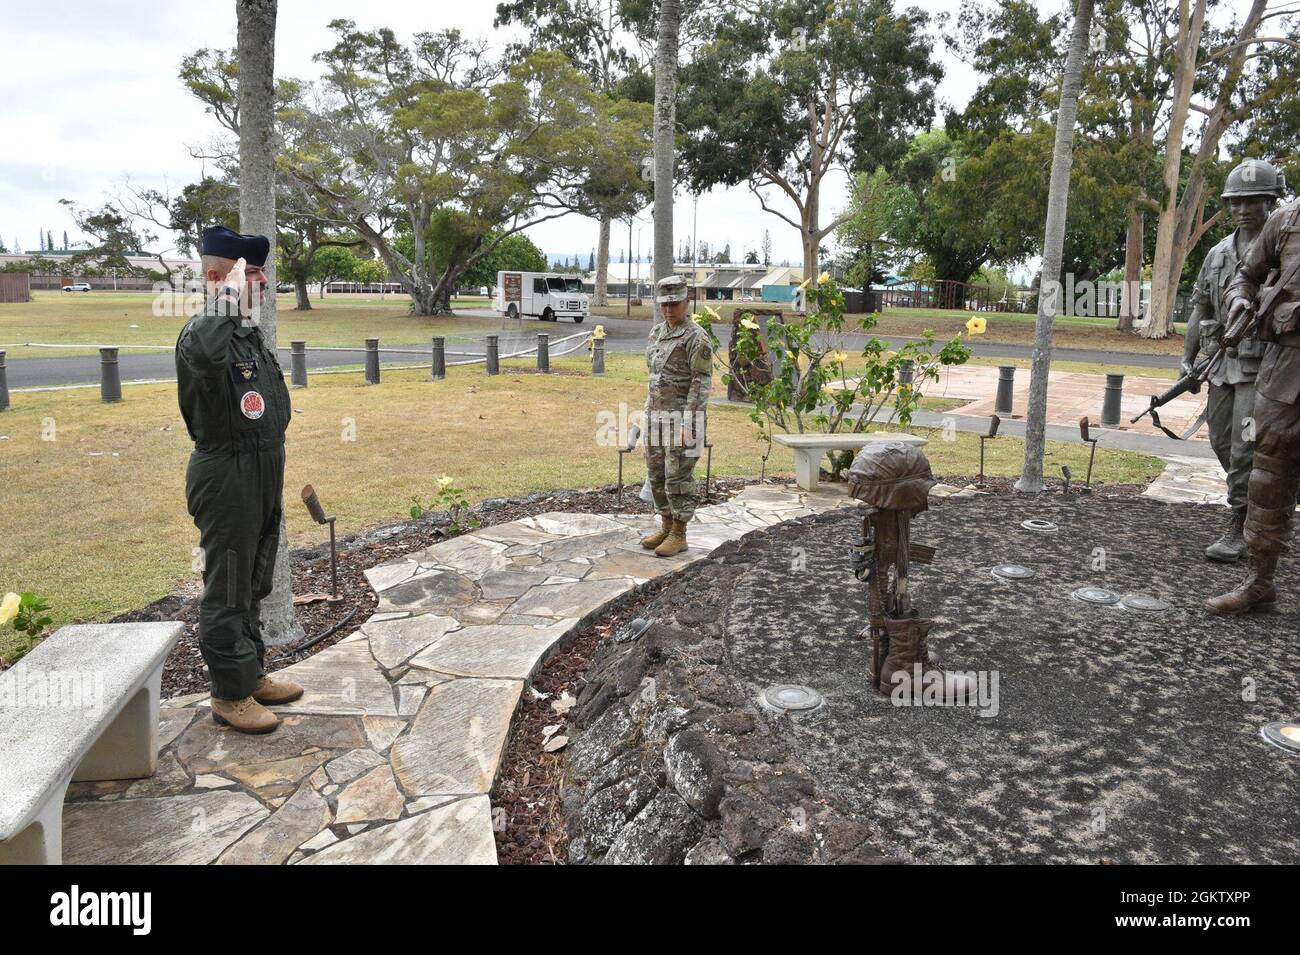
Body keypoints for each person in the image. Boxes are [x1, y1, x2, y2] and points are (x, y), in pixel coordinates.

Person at [175, 226, 302, 732]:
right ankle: (228, 695)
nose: (263, 282)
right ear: (217, 277)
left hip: (262, 466)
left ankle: (248, 676)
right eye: (251, 272)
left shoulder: (243, 333)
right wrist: (228, 295)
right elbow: (206, 356)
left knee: (254, 577)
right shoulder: (203, 332)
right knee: (228, 582)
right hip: (227, 472)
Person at [1207, 174, 1300, 615]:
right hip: (1286, 367)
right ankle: (1261, 582)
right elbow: (1246, 274)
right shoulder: (1286, 221)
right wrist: (1241, 301)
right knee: (1267, 472)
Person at [1182, 159, 1284, 562]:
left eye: (1252, 201)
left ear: (1269, 202)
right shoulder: (1218, 253)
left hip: (1262, 368)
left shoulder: (1281, 251)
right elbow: (1200, 307)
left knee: (1246, 446)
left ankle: (1240, 525)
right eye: (1236, 203)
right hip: (1221, 364)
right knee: (1220, 439)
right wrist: (1187, 359)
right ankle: (1259, 503)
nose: (1243, 210)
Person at [639, 275, 713, 557]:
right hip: (655, 418)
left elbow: (700, 382)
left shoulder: (697, 337)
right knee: (656, 474)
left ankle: (679, 533)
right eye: (664, 305)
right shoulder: (656, 333)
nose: (669, 310)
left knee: (677, 476)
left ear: (687, 302)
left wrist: (690, 424)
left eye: (675, 304)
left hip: (682, 420)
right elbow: (654, 377)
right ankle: (666, 525)